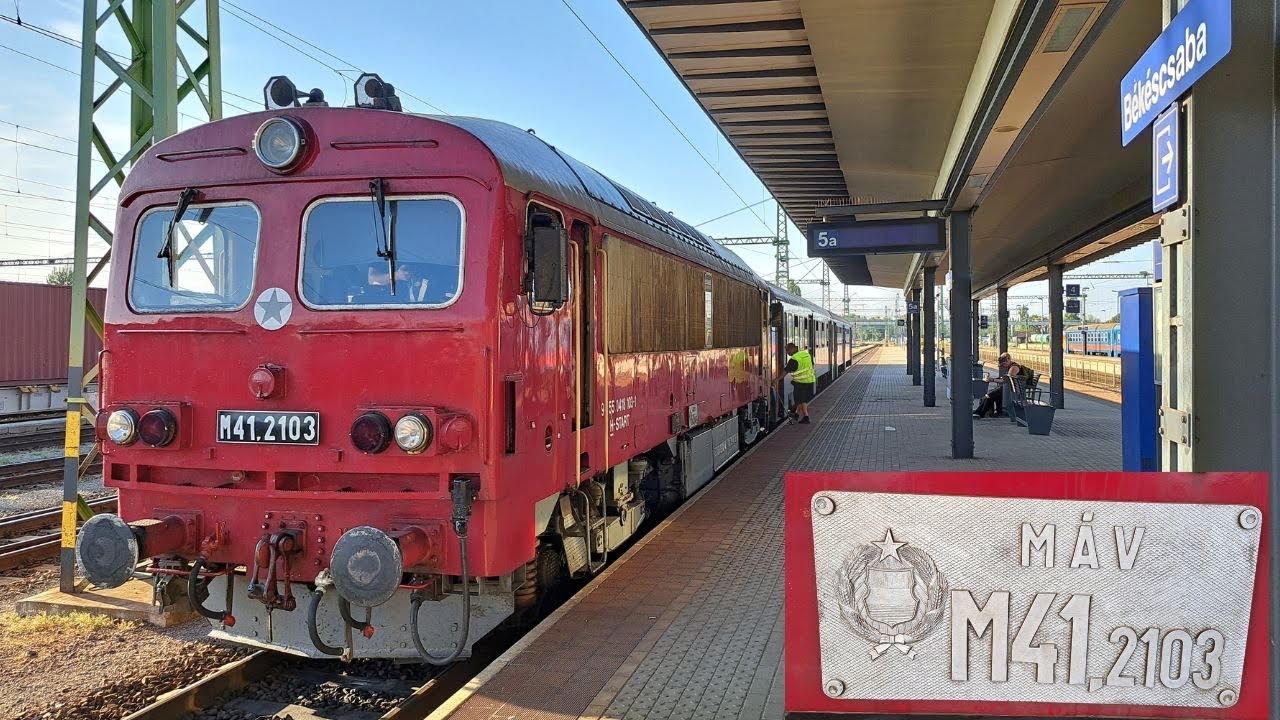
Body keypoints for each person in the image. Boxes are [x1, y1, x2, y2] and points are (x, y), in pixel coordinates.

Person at [974, 352, 1033, 418]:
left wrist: (992, 380)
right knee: (992, 395)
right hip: (1009, 388)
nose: (1003, 366)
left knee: (990, 395)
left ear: (1008, 360)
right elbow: (1006, 379)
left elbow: (1006, 381)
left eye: (1003, 364)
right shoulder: (1011, 366)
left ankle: (980, 412)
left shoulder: (1014, 367)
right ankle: (982, 412)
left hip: (1013, 389)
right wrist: (995, 379)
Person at [782, 342, 816, 424]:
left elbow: (786, 371)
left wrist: (776, 380)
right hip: (810, 380)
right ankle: (796, 414)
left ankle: (806, 417)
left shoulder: (794, 359)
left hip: (800, 382)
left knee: (801, 400)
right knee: (800, 400)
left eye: (787, 351)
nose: (787, 353)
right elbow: (812, 365)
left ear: (792, 349)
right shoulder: (806, 354)